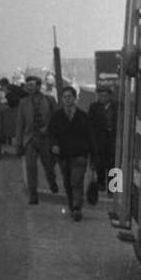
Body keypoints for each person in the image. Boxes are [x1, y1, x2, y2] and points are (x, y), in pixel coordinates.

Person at [48, 85, 92, 221]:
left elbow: (89, 136)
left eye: (70, 97)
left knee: (76, 181)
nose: (67, 99)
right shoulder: (57, 116)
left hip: (79, 155)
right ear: (62, 99)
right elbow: (51, 133)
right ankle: (72, 206)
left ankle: (77, 207)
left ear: (75, 98)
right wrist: (53, 145)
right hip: (64, 155)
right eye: (65, 97)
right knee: (67, 182)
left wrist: (91, 155)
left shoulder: (83, 116)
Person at [16, 75, 58, 204]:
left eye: (31, 85)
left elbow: (56, 119)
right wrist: (19, 143)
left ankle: (52, 181)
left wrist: (48, 128)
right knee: (31, 167)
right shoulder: (23, 103)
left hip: (45, 139)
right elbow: (20, 124)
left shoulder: (49, 100)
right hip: (30, 139)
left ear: (39, 86)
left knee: (48, 166)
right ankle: (33, 194)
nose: (29, 87)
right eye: (27, 85)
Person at [86, 84, 118, 203]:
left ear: (110, 96)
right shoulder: (94, 107)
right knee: (99, 163)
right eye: (100, 95)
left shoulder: (117, 107)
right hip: (99, 140)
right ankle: (101, 184)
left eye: (105, 95)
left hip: (114, 140)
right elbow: (90, 124)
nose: (102, 97)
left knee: (114, 165)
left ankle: (113, 189)